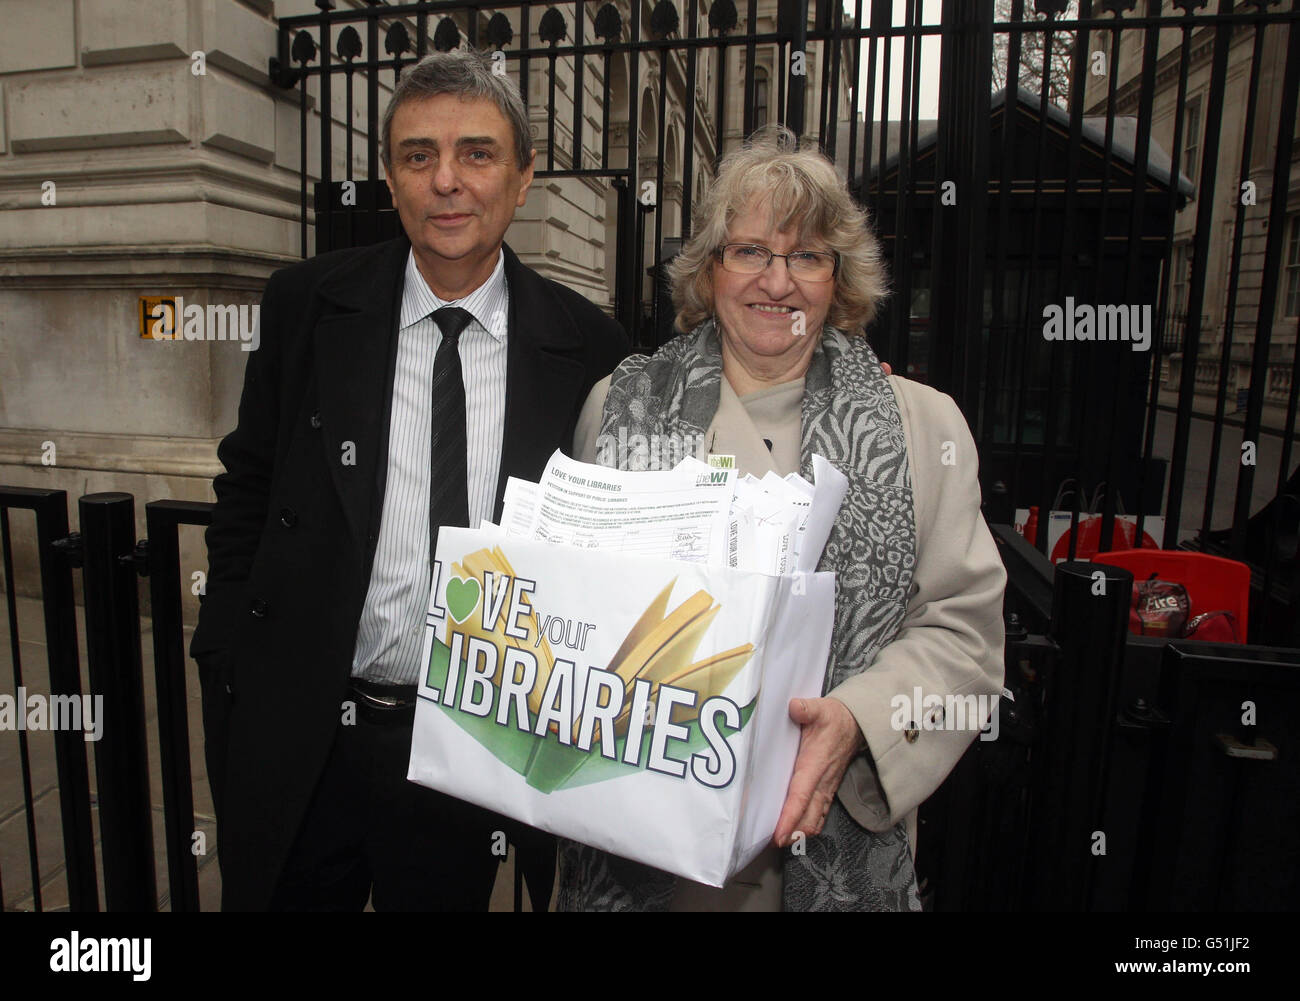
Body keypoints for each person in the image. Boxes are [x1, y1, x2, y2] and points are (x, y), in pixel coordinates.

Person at [191, 50, 630, 911]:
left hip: (469, 751)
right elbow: (247, 483)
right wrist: (227, 648)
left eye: (477, 153)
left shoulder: (589, 349)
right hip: (312, 728)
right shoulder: (306, 307)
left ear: (524, 175)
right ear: (390, 178)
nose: (448, 182)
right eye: (419, 156)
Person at [562, 127, 1006, 911]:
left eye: (807, 256)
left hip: (835, 848)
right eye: (750, 253)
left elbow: (964, 631)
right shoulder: (617, 407)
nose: (779, 281)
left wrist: (859, 721)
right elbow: (573, 604)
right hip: (647, 853)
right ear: (708, 269)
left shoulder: (921, 427)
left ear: (840, 279)